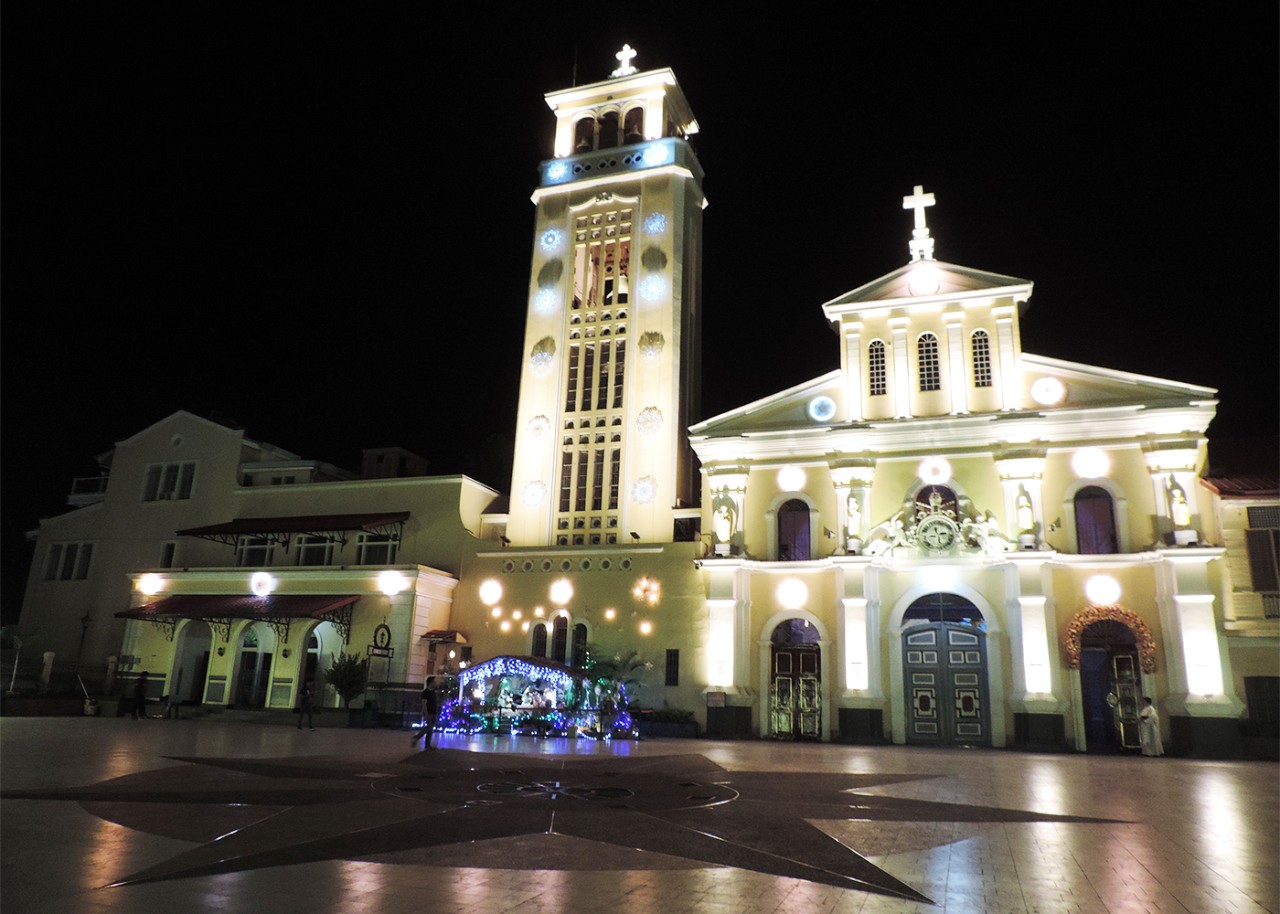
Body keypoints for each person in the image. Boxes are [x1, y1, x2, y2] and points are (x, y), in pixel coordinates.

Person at [414, 676, 439, 749]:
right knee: (428, 727)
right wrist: (426, 713)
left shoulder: (433, 692)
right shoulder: (425, 692)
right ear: (430, 683)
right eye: (434, 682)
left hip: (433, 712)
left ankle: (427, 745)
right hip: (429, 712)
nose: (435, 683)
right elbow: (424, 704)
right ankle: (416, 737)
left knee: (430, 730)